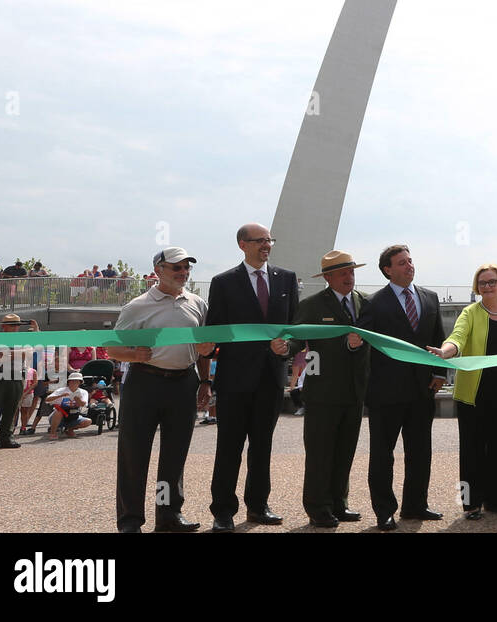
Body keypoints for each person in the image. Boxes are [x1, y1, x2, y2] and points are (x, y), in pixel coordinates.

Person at [108, 247, 213, 532]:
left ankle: (168, 515)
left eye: (186, 268)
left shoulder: (197, 304)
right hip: (144, 382)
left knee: (174, 454)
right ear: (158, 271)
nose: (183, 273)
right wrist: (133, 355)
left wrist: (205, 381)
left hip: (183, 382)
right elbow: (112, 348)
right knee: (134, 453)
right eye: (176, 268)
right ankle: (130, 520)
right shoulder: (137, 306)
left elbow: (203, 348)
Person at [202, 223, 298, 532]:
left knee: (262, 447)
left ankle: (258, 506)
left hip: (270, 379)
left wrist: (287, 347)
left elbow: (294, 329)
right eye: (259, 241)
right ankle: (223, 511)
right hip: (234, 380)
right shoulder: (223, 282)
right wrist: (207, 349)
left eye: (269, 240)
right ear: (243, 244)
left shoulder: (286, 278)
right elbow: (215, 331)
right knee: (229, 447)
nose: (266, 245)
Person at [359, 244, 446, 528]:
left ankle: (415, 505)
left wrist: (440, 373)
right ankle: (384, 510)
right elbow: (362, 343)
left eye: (410, 260)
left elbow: (438, 338)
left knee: (420, 452)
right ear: (388, 270)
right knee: (383, 455)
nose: (409, 265)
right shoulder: (373, 302)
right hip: (386, 393)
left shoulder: (430, 298)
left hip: (422, 391)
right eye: (402, 262)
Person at [429, 262, 497, 519]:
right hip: (474, 395)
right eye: (483, 283)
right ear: (477, 287)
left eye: (492, 281)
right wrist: (445, 352)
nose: (488, 286)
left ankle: (496, 500)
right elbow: (456, 338)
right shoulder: (470, 312)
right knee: (471, 451)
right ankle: (470, 504)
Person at [287, 250, 370, 528]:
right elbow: (297, 339)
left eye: (352, 271)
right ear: (328, 277)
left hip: (355, 391)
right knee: (320, 452)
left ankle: (338, 502)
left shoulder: (364, 303)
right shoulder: (312, 305)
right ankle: (317, 506)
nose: (350, 277)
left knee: (345, 451)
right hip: (323, 392)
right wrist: (284, 347)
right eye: (343, 273)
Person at [0, 312, 39, 451]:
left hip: (16, 376)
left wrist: (6, 354)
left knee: (12, 408)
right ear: (4, 327)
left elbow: (28, 352)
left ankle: (6, 438)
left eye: (17, 325)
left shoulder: (21, 339)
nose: (16, 328)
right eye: (13, 325)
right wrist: (17, 353)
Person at [45, 369, 93, 438]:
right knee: (59, 411)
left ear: (80, 382)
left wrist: (78, 400)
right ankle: (53, 433)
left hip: (73, 415)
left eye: (77, 381)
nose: (74, 382)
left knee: (88, 421)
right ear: (69, 382)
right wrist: (60, 396)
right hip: (58, 416)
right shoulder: (61, 390)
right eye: (72, 381)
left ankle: (69, 430)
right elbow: (47, 399)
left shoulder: (83, 392)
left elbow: (83, 405)